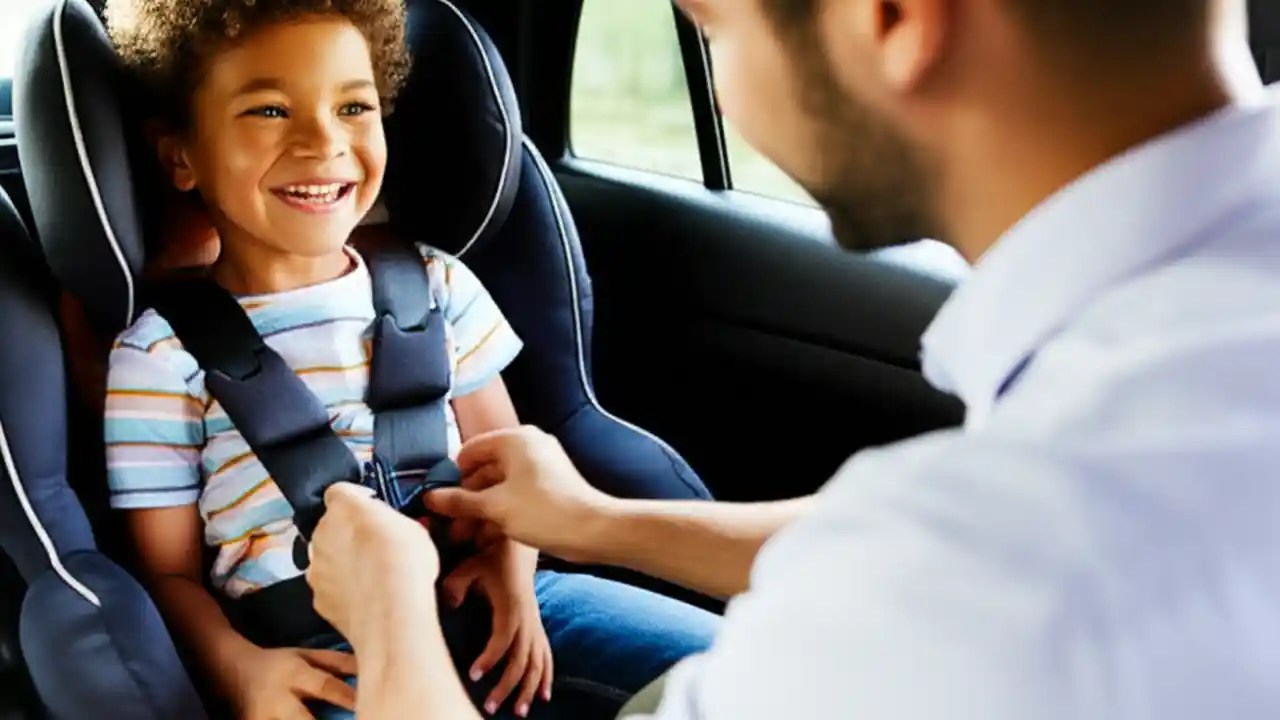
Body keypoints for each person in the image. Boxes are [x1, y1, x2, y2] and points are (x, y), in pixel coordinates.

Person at [304, 0, 1280, 717]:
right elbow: (915, 534)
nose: (720, 86)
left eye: (713, 27)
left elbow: (954, 561)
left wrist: (388, 617)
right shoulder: (1161, 380)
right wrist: (600, 523)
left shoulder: (997, 597)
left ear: (891, 19)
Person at [99, 1, 717, 719]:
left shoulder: (436, 285)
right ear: (181, 155)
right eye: (269, 110)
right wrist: (242, 672)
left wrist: (513, 568)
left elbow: (506, 471)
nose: (323, 141)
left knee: (750, 663)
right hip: (321, 653)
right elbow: (168, 575)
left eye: (354, 106)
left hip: (497, 602)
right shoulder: (158, 356)